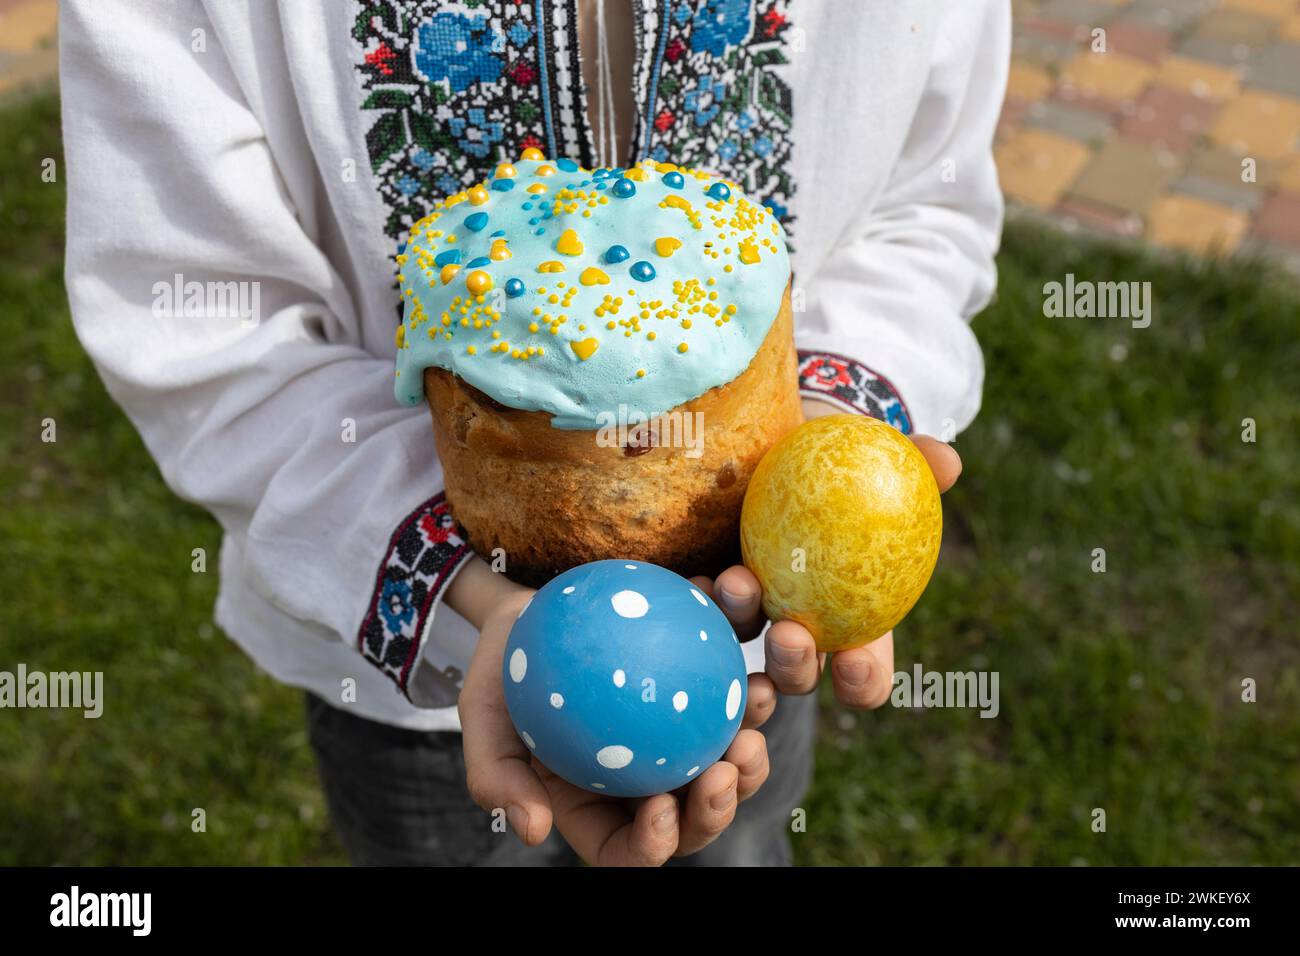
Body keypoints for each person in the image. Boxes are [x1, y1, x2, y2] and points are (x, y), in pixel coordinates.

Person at [61, 0, 1006, 866]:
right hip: (422, 693)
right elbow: (194, 320)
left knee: (740, 839)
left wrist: (830, 455)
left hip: (753, 639)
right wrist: (471, 589)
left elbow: (923, 195)